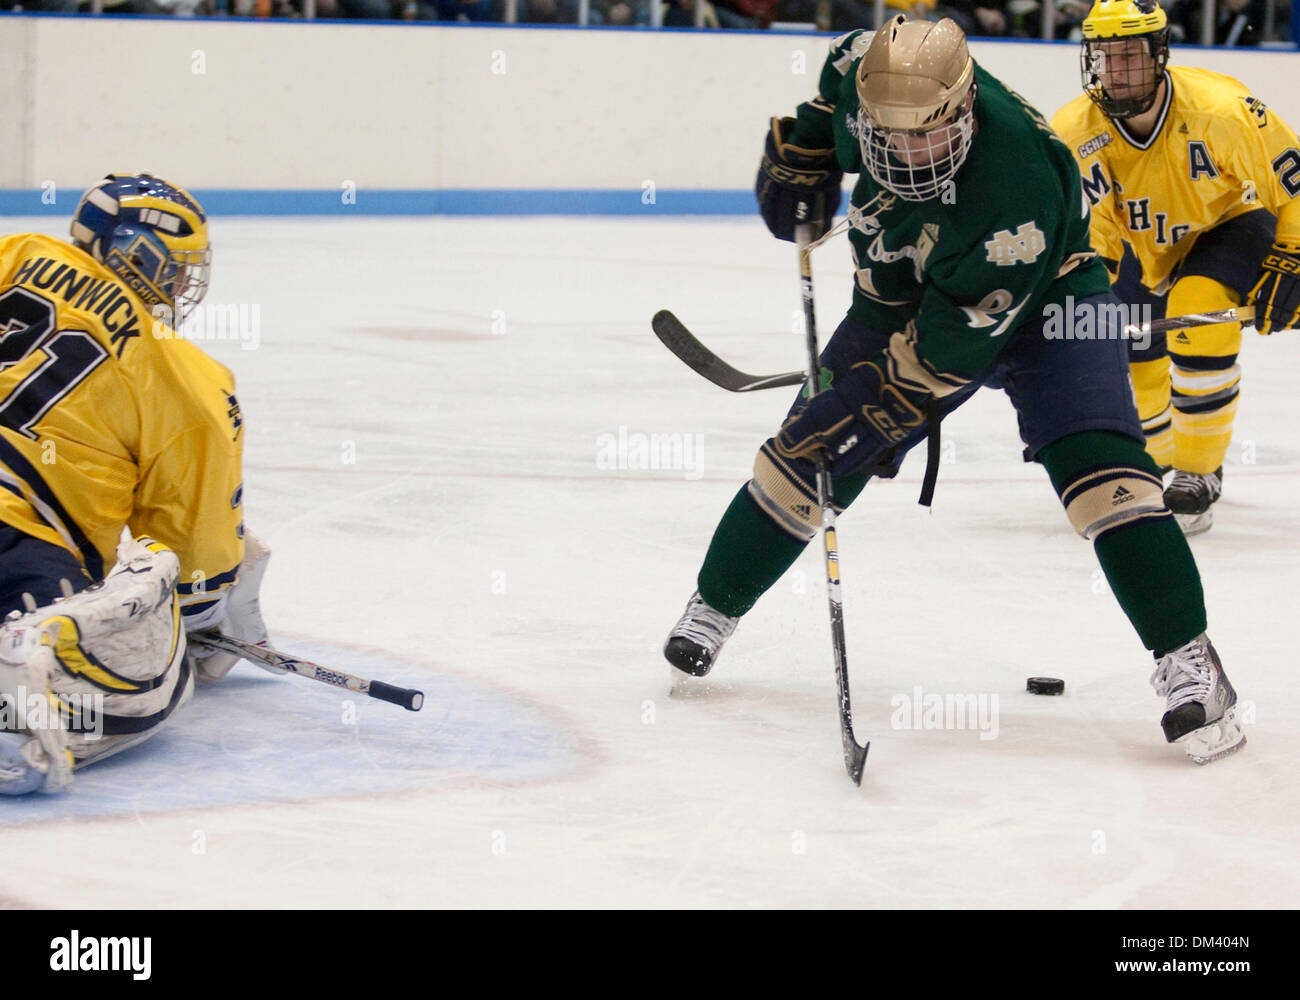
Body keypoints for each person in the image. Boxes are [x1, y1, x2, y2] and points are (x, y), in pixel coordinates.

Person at [663, 16, 1245, 764]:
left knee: (1106, 480)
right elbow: (841, 67)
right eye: (888, 135)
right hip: (899, 298)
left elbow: (940, 357)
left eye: (927, 135)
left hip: (1050, 302)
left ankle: (1191, 664)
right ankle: (714, 606)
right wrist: (808, 140)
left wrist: (862, 407)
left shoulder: (1017, 188)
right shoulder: (869, 78)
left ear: (964, 109)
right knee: (799, 462)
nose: (906, 153)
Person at [0, 173, 271, 797]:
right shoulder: (189, 379)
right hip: (18, 532)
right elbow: (195, 574)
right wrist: (208, 618)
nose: (181, 286)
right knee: (146, 680)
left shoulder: (17, 253)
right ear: (142, 256)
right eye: (177, 270)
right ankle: (27, 669)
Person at [1051, 0, 1300, 535]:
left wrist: (1293, 257)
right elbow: (1085, 242)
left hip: (1229, 225)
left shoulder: (1222, 110)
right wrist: (1075, 305)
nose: (1116, 71)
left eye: (1130, 56)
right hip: (1146, 251)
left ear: (1159, 53)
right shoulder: (1074, 132)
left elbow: (1295, 187)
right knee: (1133, 369)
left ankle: (1197, 473)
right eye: (1104, 57)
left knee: (1196, 317)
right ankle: (1167, 459)